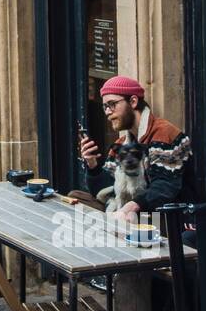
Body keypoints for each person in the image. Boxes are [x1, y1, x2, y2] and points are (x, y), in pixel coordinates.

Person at [78, 75, 196, 222]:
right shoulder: (121, 144)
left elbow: (164, 188)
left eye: (112, 104)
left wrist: (130, 207)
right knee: (75, 198)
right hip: (131, 212)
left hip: (167, 218)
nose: (108, 112)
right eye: (105, 107)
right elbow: (106, 191)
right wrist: (93, 165)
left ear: (133, 101)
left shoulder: (165, 134)